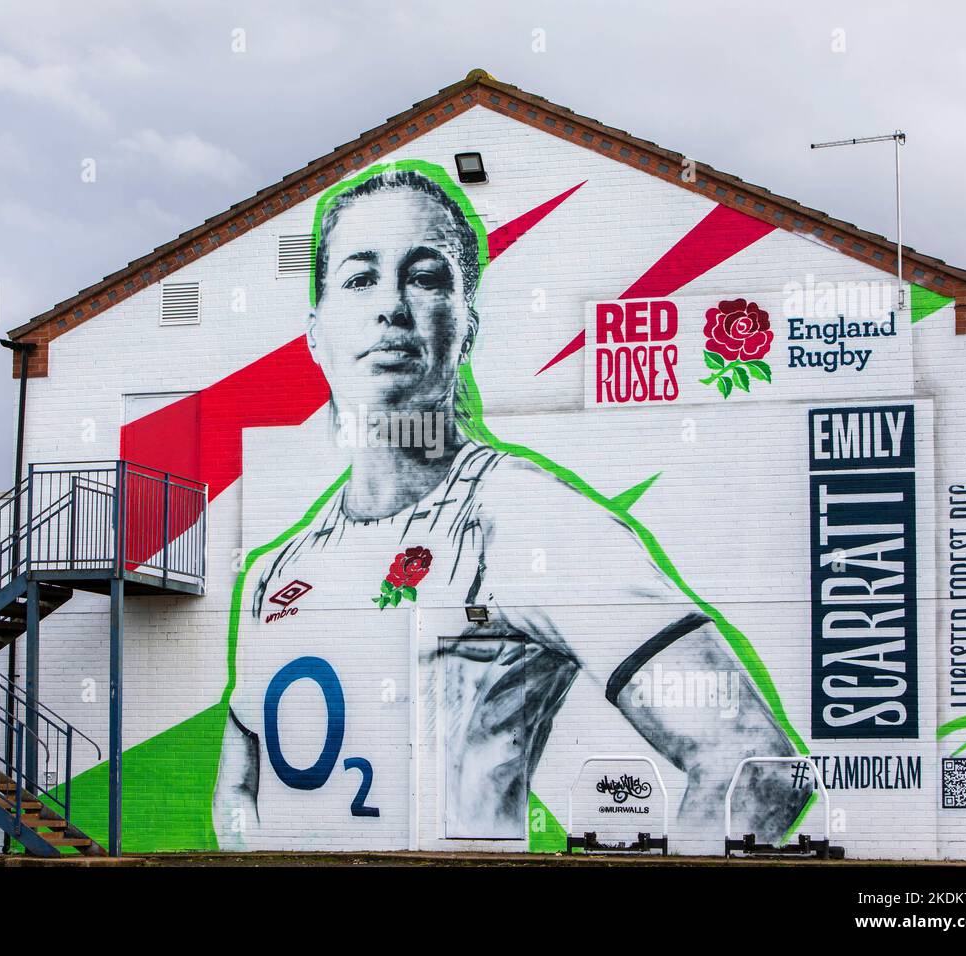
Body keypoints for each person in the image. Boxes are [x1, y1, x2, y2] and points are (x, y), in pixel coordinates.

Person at [212, 162, 808, 848]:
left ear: (467, 327)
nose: (391, 306)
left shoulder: (526, 518)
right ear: (315, 334)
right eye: (359, 276)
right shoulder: (272, 571)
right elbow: (238, 787)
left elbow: (757, 769)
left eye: (426, 276)